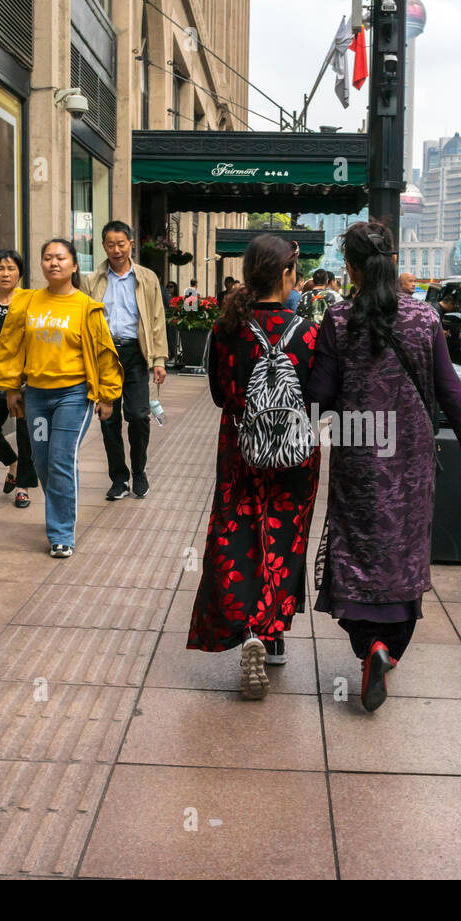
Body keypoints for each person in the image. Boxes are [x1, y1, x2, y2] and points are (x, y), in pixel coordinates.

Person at [306, 222, 461, 713]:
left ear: (349, 267)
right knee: (403, 548)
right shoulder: (424, 318)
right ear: (393, 261)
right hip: (410, 459)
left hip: (357, 456)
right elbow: (451, 390)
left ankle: (369, 644)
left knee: (356, 543)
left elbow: (320, 396)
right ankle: (388, 645)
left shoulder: (339, 319)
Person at [187, 235, 320, 699]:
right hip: (294, 454)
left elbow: (221, 394)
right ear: (286, 275)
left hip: (240, 446)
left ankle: (245, 629)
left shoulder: (227, 329)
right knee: (283, 535)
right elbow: (320, 395)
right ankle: (271, 629)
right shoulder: (308, 331)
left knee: (236, 530)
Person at [0, 239, 123, 557]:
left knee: (61, 460)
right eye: (47, 257)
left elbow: (104, 353)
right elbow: (9, 346)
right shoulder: (28, 303)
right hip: (35, 396)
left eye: (61, 258)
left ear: (74, 266)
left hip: (73, 397)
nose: (53, 263)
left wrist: (107, 396)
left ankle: (61, 533)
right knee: (42, 462)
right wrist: (11, 388)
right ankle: (62, 504)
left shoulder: (85, 307)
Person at [86, 221, 168, 501]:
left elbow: (157, 320)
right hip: (105, 355)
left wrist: (158, 359)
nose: (116, 249)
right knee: (108, 420)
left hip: (135, 353)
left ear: (131, 243)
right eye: (110, 244)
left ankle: (139, 471)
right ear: (103, 246)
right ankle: (118, 478)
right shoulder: (92, 280)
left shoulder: (146, 278)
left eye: (121, 244)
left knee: (137, 415)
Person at [0, 249, 36, 508]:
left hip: (23, 377)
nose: (5, 273)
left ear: (19, 273)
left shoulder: (29, 301)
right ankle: (13, 464)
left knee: (24, 433)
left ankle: (23, 486)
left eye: (11, 268)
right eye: (0, 268)